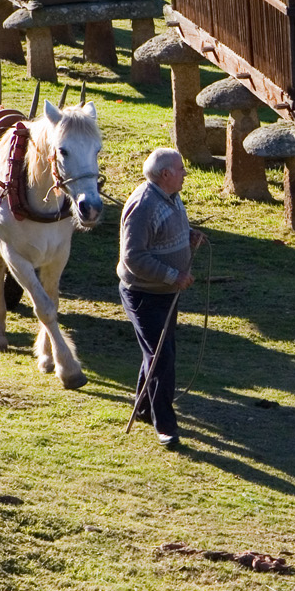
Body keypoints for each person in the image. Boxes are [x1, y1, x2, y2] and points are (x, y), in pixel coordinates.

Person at [118, 148, 204, 448]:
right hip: (144, 294)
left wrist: (188, 236)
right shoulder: (143, 206)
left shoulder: (171, 196)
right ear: (165, 174)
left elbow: (166, 231)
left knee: (157, 353)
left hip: (167, 293)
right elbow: (133, 257)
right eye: (180, 169)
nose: (185, 174)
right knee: (162, 358)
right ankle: (165, 426)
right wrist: (173, 276)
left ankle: (143, 409)